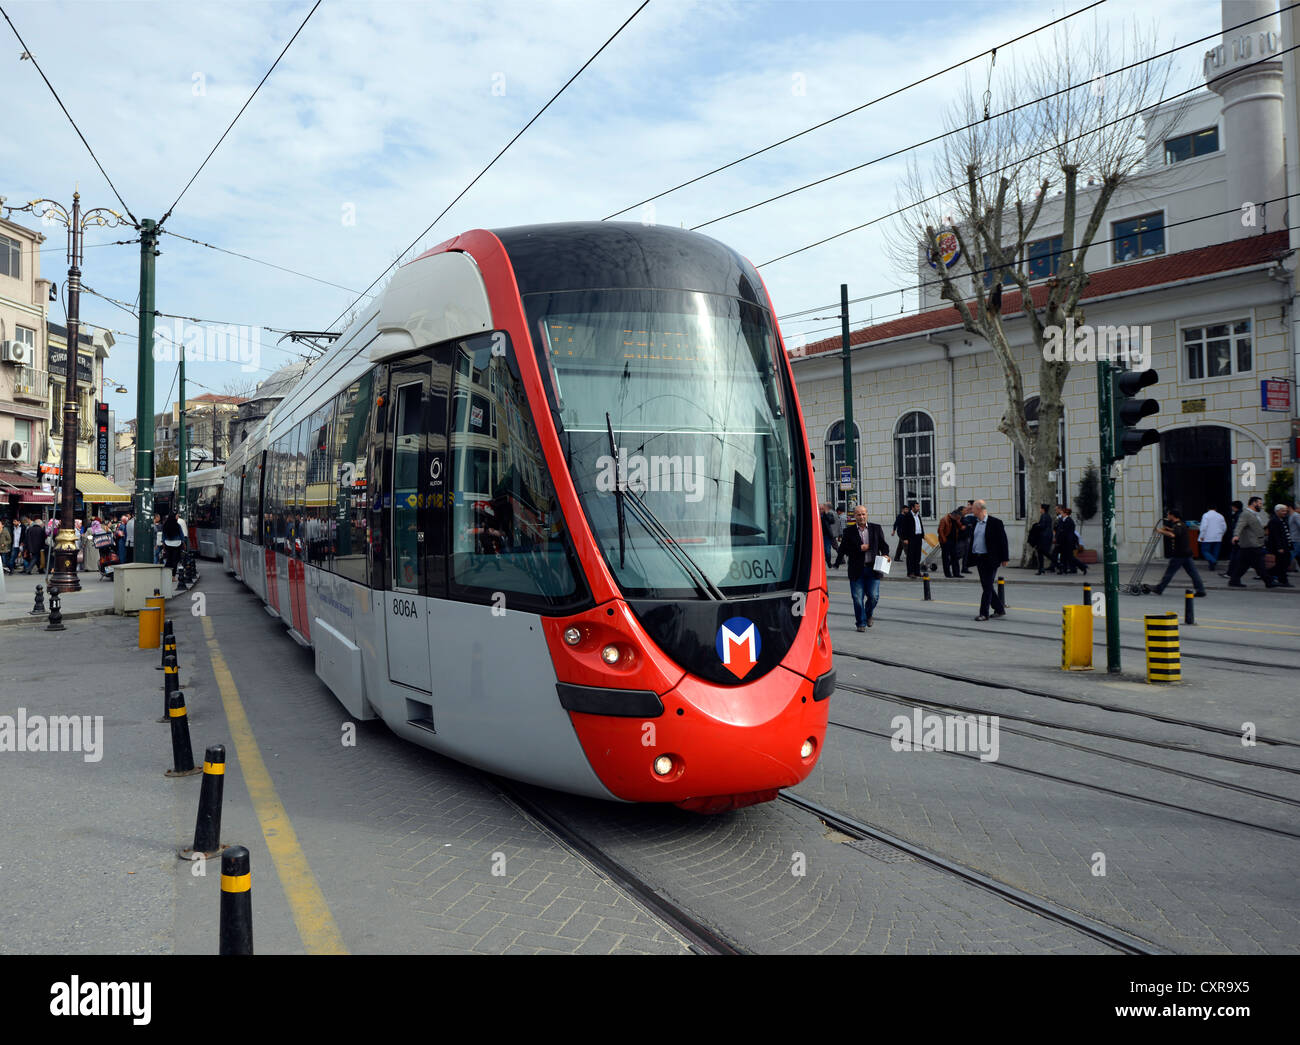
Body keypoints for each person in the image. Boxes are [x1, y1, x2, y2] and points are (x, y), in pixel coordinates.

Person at [833, 503, 889, 631]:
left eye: (863, 514)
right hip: (856, 570)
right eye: (858, 514)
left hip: (873, 569)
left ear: (867, 514)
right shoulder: (849, 531)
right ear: (855, 516)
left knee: (874, 597)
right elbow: (843, 549)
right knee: (857, 598)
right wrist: (858, 548)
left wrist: (886, 555)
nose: (861, 516)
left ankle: (869, 614)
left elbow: (884, 546)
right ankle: (861, 623)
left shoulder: (876, 528)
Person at [968, 500, 1009, 621]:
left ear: (979, 509)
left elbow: (1003, 541)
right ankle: (999, 609)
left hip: (991, 559)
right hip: (979, 558)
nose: (971, 510)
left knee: (987, 587)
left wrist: (1005, 558)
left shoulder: (995, 523)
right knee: (987, 585)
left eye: (973, 508)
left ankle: (984, 613)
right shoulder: (975, 523)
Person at [1151, 508, 1206, 596]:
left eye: (1168, 514)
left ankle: (1159, 588)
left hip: (1179, 554)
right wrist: (1168, 529)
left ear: (1173, 516)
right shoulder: (1179, 524)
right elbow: (1175, 532)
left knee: (1169, 573)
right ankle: (1201, 590)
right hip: (1186, 553)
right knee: (1193, 573)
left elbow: (1173, 534)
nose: (1167, 516)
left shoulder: (1178, 525)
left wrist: (1161, 531)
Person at [1228, 496, 1273, 588]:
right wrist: (1236, 535)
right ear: (1254, 503)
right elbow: (1240, 525)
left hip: (1249, 545)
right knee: (1260, 565)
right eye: (1260, 503)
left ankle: (1234, 580)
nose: (1261, 506)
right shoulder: (1246, 514)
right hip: (1252, 544)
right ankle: (1269, 582)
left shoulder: (1254, 514)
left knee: (1243, 565)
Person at [1265, 504, 1294, 588]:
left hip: (1285, 546)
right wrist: (1279, 547)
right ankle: (1282, 580)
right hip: (1279, 547)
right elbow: (1275, 536)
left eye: (1286, 510)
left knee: (1284, 563)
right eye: (1283, 511)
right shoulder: (1274, 521)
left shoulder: (1282, 519)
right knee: (1282, 564)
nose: (1285, 512)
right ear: (1277, 511)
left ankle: (1273, 576)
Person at [1197, 505, 1227, 572]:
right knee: (1215, 552)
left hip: (1207, 537)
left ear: (1208, 509)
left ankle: (1213, 561)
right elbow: (1224, 527)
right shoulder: (1220, 516)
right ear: (1216, 509)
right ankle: (1212, 566)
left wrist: (1201, 536)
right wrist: (1221, 534)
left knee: (1205, 551)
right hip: (1218, 537)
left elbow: (1204, 527)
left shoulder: (1206, 515)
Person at [938, 505, 964, 578]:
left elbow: (960, 527)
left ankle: (956, 573)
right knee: (946, 558)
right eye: (958, 518)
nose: (959, 519)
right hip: (945, 541)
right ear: (954, 516)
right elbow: (940, 531)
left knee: (954, 557)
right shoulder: (944, 519)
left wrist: (959, 523)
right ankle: (947, 573)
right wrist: (944, 540)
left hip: (953, 541)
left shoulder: (955, 520)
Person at [161, 510, 185, 580]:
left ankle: (165, 574)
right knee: (175, 560)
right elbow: (181, 535)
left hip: (168, 544)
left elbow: (164, 535)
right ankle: (173, 576)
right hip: (177, 544)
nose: (177, 517)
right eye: (177, 516)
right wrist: (183, 543)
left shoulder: (165, 525)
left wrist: (164, 543)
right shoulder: (177, 525)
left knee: (169, 559)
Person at [1222, 500, 1244, 577]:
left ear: (1234, 507)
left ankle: (1231, 573)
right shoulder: (1239, 514)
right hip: (1240, 539)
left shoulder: (1238, 515)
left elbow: (1236, 527)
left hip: (1238, 539)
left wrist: (1235, 536)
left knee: (1235, 557)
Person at [903, 500, 924, 578]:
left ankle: (917, 571)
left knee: (917, 555)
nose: (918, 508)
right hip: (911, 538)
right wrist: (905, 538)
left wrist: (922, 535)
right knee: (911, 556)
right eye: (917, 506)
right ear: (912, 507)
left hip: (918, 537)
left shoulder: (918, 515)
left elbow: (920, 525)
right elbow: (904, 528)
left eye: (919, 506)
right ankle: (910, 572)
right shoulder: (907, 516)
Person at [1030, 503, 1053, 574]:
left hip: (1043, 537)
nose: (1039, 509)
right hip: (1045, 537)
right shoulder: (1047, 516)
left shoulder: (1044, 516)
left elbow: (1042, 526)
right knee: (1040, 553)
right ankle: (1041, 569)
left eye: (1040, 508)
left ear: (1043, 509)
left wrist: (1036, 525)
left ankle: (1057, 563)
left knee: (1044, 552)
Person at [819, 503, 837, 568]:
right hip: (818, 536)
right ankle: (820, 564)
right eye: (819, 509)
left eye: (822, 509)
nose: (821, 510)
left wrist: (826, 513)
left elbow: (832, 521)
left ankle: (828, 562)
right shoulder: (815, 515)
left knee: (827, 551)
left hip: (826, 536)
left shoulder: (828, 514)